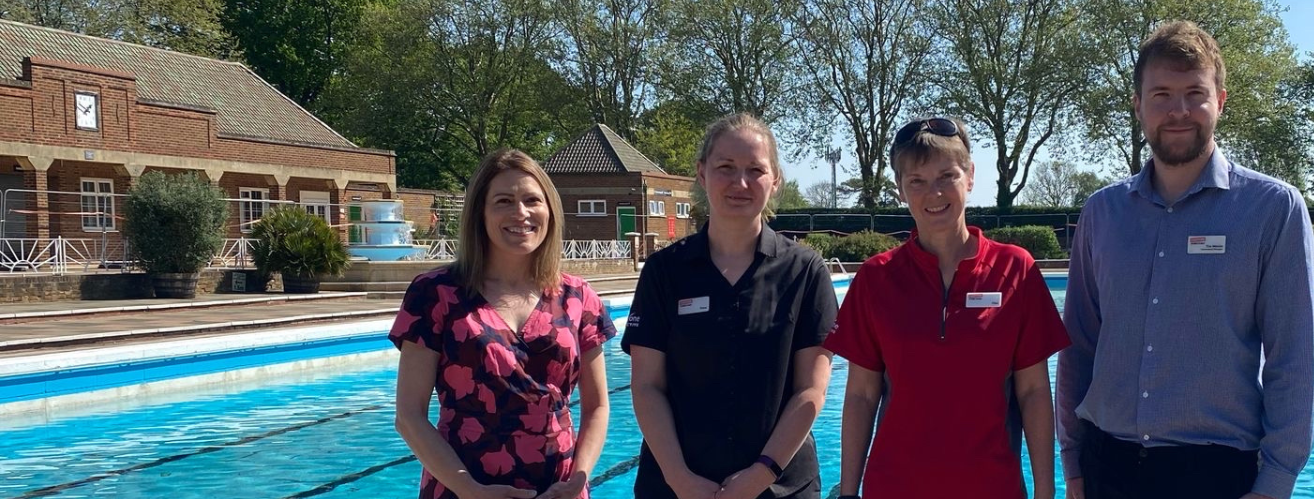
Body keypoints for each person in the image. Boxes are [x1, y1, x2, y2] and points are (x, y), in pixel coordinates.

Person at [1056, 20, 1314, 499]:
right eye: (1161, 94)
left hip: (1216, 472)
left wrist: (1275, 484)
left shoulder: (1271, 208)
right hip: (1106, 464)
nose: (1178, 111)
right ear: (1138, 106)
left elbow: (1292, 358)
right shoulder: (1103, 212)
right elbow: (1078, 345)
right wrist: (1073, 464)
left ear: (1220, 100)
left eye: (1194, 93)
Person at [826, 116, 1069, 499]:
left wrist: (1045, 491)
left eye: (946, 177)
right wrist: (848, 491)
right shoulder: (876, 278)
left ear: (970, 176)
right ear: (901, 190)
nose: (933, 193)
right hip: (893, 488)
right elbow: (860, 395)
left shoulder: (1015, 270)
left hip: (993, 487)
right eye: (917, 182)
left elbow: (1035, 391)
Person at [624, 112, 836, 499]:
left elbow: (811, 390)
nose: (740, 182)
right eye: (726, 167)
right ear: (702, 174)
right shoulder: (664, 272)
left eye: (755, 169)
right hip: (675, 487)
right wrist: (679, 478)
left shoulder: (805, 271)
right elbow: (647, 386)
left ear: (776, 182)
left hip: (781, 487)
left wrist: (761, 474)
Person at [391, 149, 614, 499]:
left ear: (549, 210)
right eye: (504, 201)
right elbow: (409, 415)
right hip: (462, 489)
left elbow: (598, 405)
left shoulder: (578, 296)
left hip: (558, 490)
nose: (520, 213)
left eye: (531, 200)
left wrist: (578, 479)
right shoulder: (436, 294)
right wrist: (470, 489)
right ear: (480, 212)